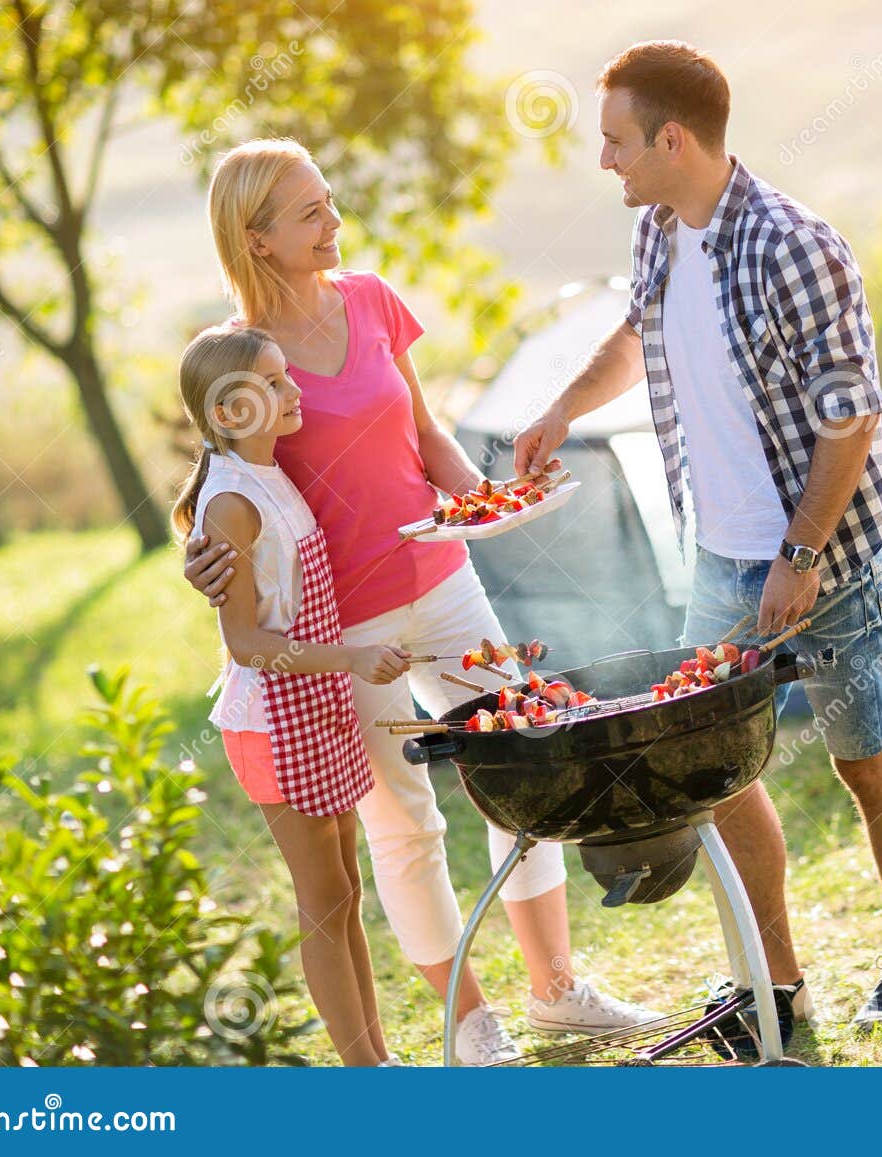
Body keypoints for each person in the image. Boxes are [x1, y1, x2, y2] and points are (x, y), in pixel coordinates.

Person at [181, 139, 656, 1062]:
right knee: (405, 823)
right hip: (343, 625)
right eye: (310, 212)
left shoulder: (370, 300)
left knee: (525, 762)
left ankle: (557, 989)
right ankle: (474, 1024)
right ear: (257, 237)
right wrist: (197, 561)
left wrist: (486, 496)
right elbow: (224, 492)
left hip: (445, 582)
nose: (335, 224)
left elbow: (425, 430)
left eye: (331, 202)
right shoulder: (243, 359)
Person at [515, 41, 882, 1030]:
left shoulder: (795, 244)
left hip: (823, 556)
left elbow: (853, 416)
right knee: (714, 770)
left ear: (673, 138)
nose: (605, 161)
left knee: (864, 756)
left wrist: (799, 553)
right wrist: (559, 412)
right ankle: (775, 981)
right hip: (718, 557)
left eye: (618, 141)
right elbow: (635, 334)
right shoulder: (661, 231)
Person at [173, 324, 405, 1066]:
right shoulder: (232, 504)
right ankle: (364, 1073)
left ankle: (380, 1058)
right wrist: (353, 656)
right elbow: (245, 643)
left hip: (314, 704)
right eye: (272, 384)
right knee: (325, 901)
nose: (293, 390)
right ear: (231, 412)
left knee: (346, 889)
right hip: (272, 719)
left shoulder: (270, 474)